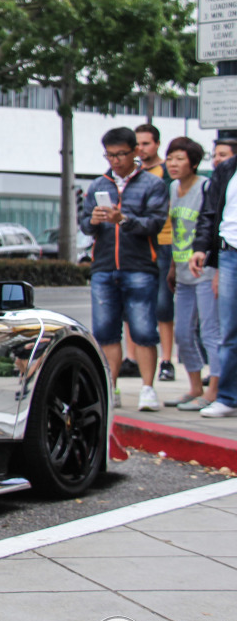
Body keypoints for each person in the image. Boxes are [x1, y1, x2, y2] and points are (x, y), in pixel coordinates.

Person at [80, 127, 169, 410]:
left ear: (135, 152)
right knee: (105, 331)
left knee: (143, 330)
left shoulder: (152, 184)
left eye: (121, 154)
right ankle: (111, 387)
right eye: (110, 155)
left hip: (139, 265)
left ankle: (147, 389)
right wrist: (93, 220)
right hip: (104, 266)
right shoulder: (98, 185)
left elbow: (155, 223)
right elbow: (84, 224)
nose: (115, 160)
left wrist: (123, 219)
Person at [165, 137, 221, 411]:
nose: (173, 164)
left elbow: (212, 227)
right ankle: (195, 387)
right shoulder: (173, 188)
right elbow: (176, 231)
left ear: (194, 162)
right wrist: (173, 267)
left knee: (210, 332)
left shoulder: (206, 187)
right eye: (170, 158)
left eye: (180, 159)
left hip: (205, 269)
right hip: (182, 270)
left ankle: (215, 391)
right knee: (183, 333)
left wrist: (217, 267)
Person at [188, 144, 237, 418]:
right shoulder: (228, 169)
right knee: (229, 331)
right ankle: (228, 398)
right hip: (230, 253)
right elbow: (209, 212)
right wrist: (201, 248)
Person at [136, 124, 175, 383]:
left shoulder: (166, 172)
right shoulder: (132, 173)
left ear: (157, 144)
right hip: (139, 242)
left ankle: (166, 360)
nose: (141, 149)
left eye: (146, 143)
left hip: (165, 241)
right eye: (137, 144)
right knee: (134, 302)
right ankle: (132, 358)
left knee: (163, 305)